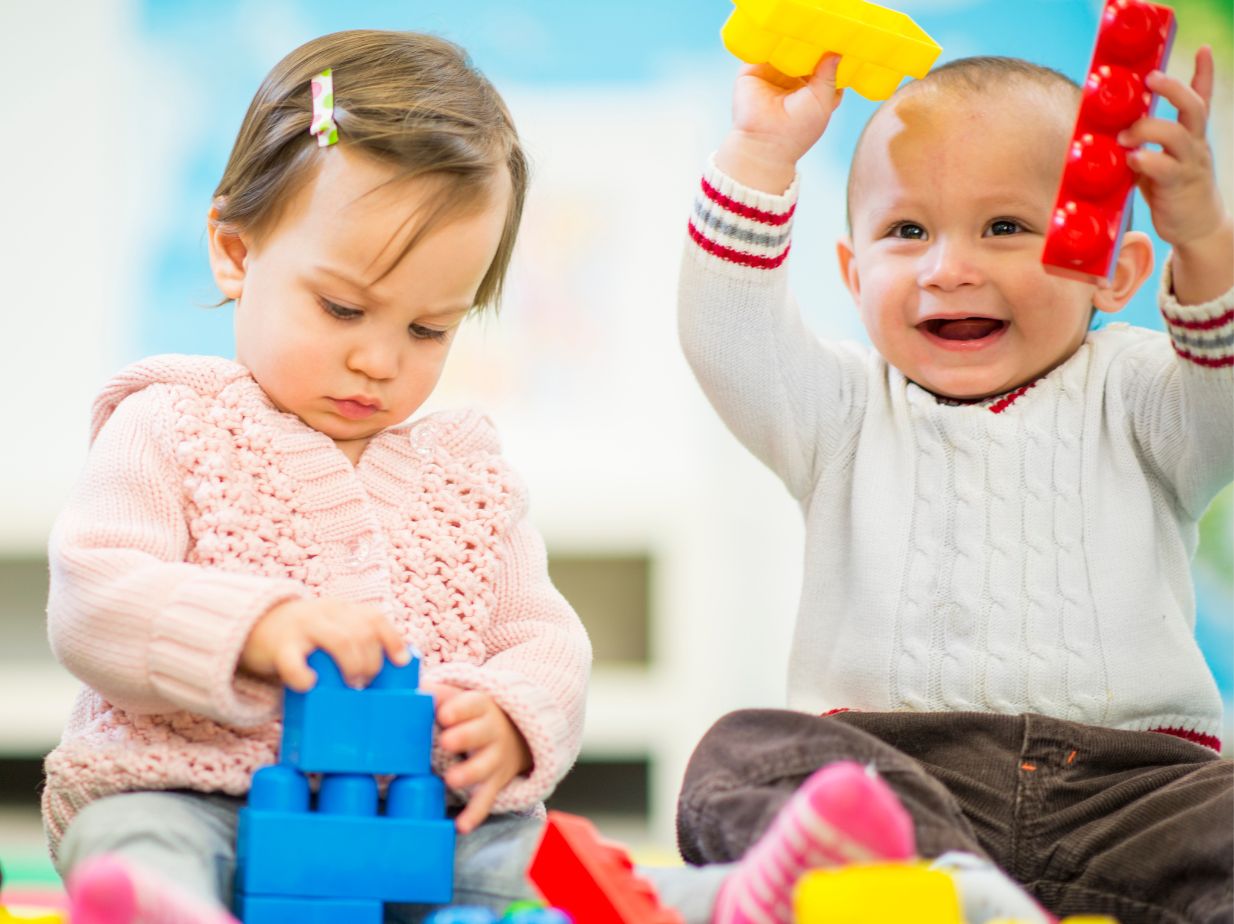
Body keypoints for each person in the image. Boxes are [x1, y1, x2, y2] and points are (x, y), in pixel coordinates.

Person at [43, 28, 925, 924]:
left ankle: (738, 898)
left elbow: (545, 641)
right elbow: (95, 597)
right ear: (235, 252)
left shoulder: (466, 476)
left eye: (430, 329)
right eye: (342, 308)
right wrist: (255, 629)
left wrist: (512, 717)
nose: (380, 360)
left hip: (423, 825)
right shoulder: (172, 423)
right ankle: (162, 908)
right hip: (195, 797)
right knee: (134, 836)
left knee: (554, 865)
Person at [677, 42, 1233, 924]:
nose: (949, 268)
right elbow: (727, 336)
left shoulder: (1138, 394)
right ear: (854, 276)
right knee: (738, 758)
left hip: (1135, 795)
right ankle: (938, 892)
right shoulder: (841, 410)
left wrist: (1202, 235)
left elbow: (1224, 388)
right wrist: (762, 152)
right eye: (907, 232)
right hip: (897, 784)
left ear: (1115, 269)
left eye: (1005, 227)